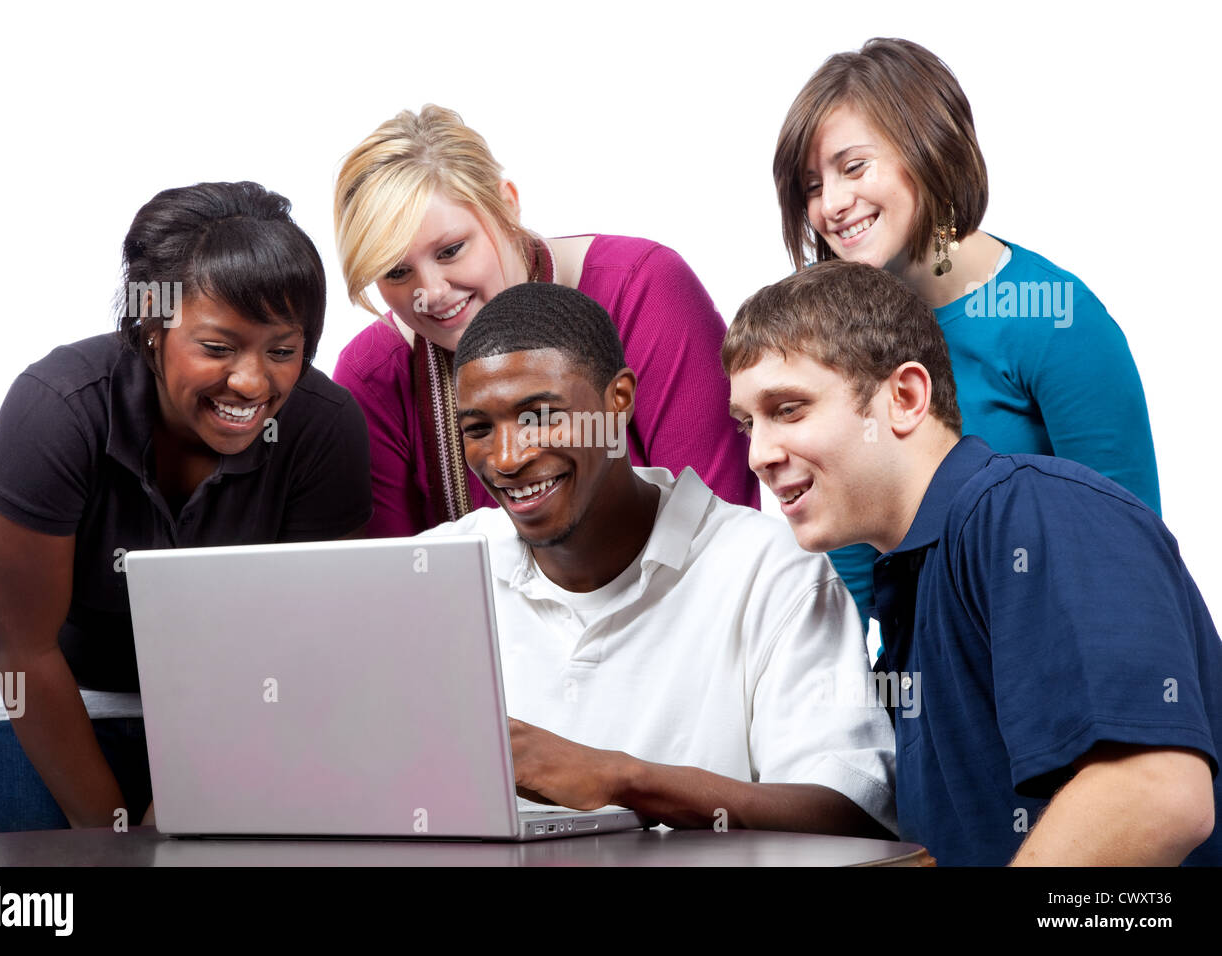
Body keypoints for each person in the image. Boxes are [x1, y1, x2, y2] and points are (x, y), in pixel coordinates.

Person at [724, 260, 1220, 865]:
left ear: (905, 398)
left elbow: (1157, 793)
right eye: (747, 423)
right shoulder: (917, 585)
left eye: (789, 409)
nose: (758, 454)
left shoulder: (1031, 508)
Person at [0, 181, 373, 833]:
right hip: (36, 685)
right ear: (151, 327)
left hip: (224, 702)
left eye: (282, 350)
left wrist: (185, 804)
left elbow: (297, 645)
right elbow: (20, 646)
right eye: (217, 347)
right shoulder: (55, 410)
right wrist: (116, 838)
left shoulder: (323, 429)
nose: (253, 382)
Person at [421, 281, 896, 835]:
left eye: (539, 417)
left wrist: (621, 780)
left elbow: (849, 812)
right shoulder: (433, 569)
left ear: (617, 401)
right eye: (479, 429)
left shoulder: (769, 569)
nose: (506, 458)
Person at [773, 37, 1160, 623]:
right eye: (812, 186)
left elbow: (1131, 555)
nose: (833, 204)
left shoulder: (1055, 318)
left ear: (928, 149)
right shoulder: (835, 337)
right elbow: (858, 585)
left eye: (854, 167)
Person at [331, 104, 760, 537]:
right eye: (397, 273)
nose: (431, 292)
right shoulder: (374, 373)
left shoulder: (645, 289)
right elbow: (393, 580)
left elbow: (719, 534)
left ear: (506, 205)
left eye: (451, 250)